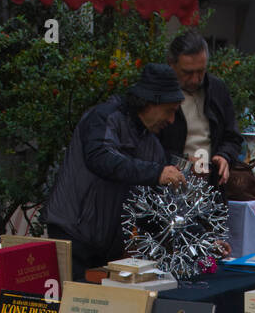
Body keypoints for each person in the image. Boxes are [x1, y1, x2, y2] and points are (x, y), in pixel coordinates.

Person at [45, 64, 186, 279]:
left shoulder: (151, 143)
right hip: (72, 232)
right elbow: (101, 158)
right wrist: (156, 173)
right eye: (169, 111)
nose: (171, 120)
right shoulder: (104, 117)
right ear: (150, 102)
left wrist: (198, 239)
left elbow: (160, 205)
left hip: (107, 243)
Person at [158, 30, 243, 185]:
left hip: (211, 185)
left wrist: (225, 156)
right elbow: (148, 147)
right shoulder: (158, 93)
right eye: (188, 73)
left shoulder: (217, 89)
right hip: (168, 184)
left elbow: (233, 136)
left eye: (201, 71)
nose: (195, 79)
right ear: (171, 65)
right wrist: (182, 161)